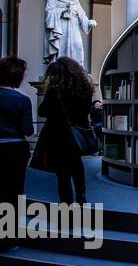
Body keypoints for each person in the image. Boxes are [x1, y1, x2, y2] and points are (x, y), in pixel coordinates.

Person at [32, 57, 94, 204]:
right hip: (77, 134)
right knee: (77, 165)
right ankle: (81, 195)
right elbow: (86, 111)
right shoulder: (85, 90)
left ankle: (66, 205)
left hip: (59, 135)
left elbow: (42, 111)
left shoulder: (56, 90)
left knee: (63, 174)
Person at [0, 58, 34, 251]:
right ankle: (7, 239)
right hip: (13, 150)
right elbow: (28, 129)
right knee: (12, 193)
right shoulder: (21, 100)